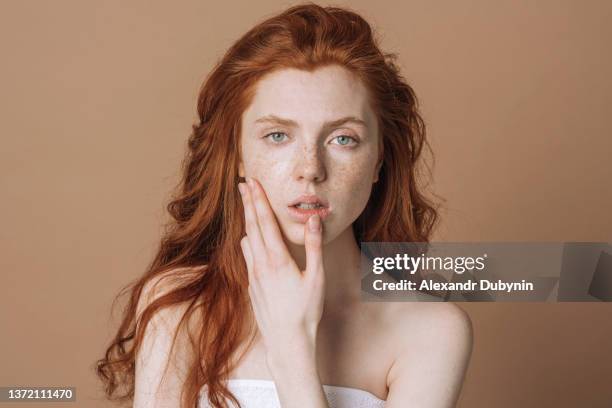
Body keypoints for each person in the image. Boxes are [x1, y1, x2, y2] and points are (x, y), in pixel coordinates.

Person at [96, 3, 472, 408]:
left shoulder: (432, 332)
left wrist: (291, 348)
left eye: (343, 138)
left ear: (379, 160)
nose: (310, 169)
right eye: (277, 136)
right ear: (237, 155)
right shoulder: (178, 305)